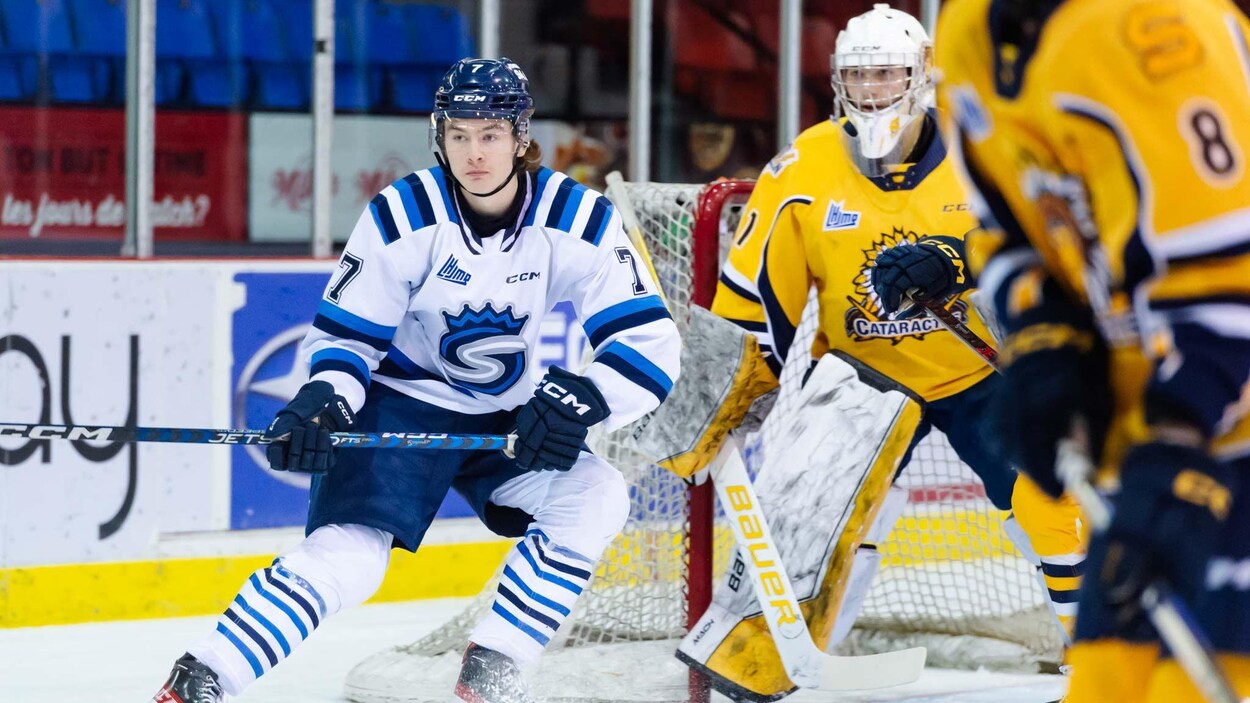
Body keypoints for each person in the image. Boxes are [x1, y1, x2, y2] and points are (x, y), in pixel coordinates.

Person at [151, 57, 680, 703]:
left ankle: (493, 667)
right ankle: (204, 672)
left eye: (489, 134)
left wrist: (586, 398)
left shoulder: (579, 218)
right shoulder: (401, 215)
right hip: (401, 407)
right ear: (440, 135)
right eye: (458, 134)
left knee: (597, 494)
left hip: (502, 417)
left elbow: (650, 340)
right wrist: (322, 400)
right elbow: (348, 339)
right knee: (351, 556)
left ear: (520, 136)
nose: (473, 153)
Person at [707, 0, 1081, 668]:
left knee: (1056, 504)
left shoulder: (984, 151)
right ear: (838, 82)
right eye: (861, 75)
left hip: (976, 374)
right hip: (859, 381)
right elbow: (753, 304)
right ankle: (779, 657)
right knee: (811, 523)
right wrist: (729, 400)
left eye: (888, 73)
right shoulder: (802, 169)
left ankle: (1099, 646)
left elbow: (1051, 249)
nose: (874, 90)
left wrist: (960, 258)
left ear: (922, 77)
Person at [934, 0, 1250, 699]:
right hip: (1152, 436)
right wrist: (1046, 336)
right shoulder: (965, 35)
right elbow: (1005, 232)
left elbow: (1232, 273)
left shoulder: (1164, 29)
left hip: (1216, 430)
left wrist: (1175, 439)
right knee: (1108, 680)